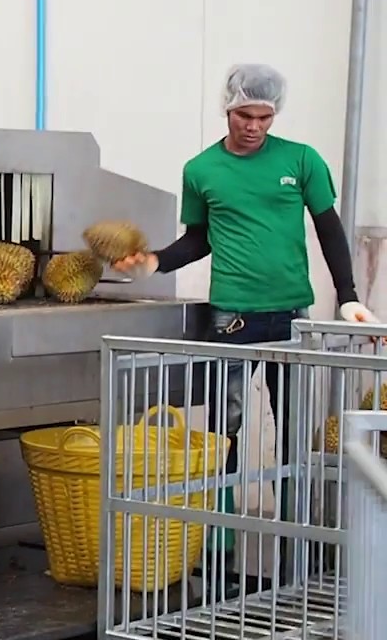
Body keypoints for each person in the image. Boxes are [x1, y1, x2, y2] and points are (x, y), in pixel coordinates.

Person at [113, 63, 378, 588]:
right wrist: (155, 262)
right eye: (244, 115)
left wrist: (348, 297)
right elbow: (198, 239)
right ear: (226, 110)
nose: (254, 125)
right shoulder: (202, 169)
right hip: (231, 317)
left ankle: (293, 566)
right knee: (222, 437)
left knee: (293, 437)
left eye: (264, 116)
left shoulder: (301, 160)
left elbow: (329, 230)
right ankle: (219, 558)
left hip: (292, 318)